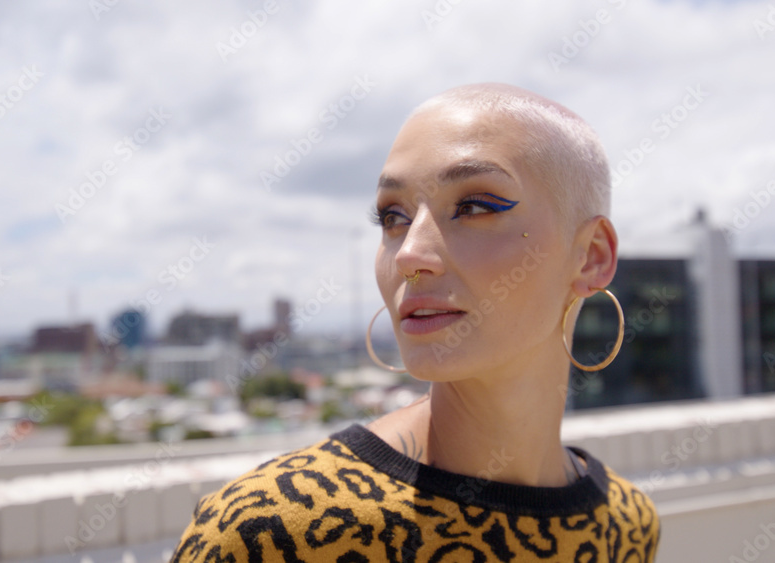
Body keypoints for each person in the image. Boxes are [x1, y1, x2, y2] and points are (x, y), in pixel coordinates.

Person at [170, 83, 660, 562]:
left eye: (474, 207)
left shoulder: (627, 527)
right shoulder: (272, 531)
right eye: (392, 217)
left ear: (592, 256)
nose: (409, 255)